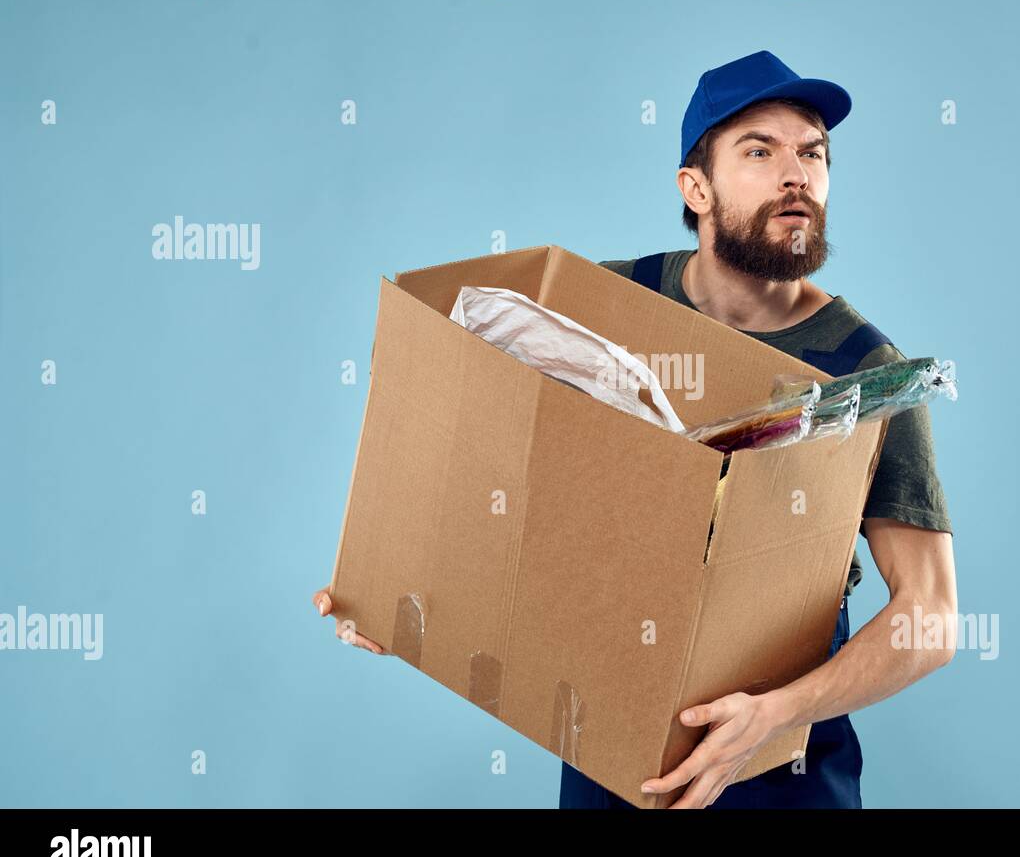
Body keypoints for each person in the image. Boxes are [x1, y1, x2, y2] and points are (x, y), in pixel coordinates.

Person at [313, 49, 958, 810]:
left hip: (780, 775)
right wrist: (404, 591)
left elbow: (932, 615)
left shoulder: (866, 372)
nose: (798, 174)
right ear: (696, 187)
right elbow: (505, 477)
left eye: (812, 152)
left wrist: (774, 715)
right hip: (608, 746)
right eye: (760, 151)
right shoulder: (605, 307)